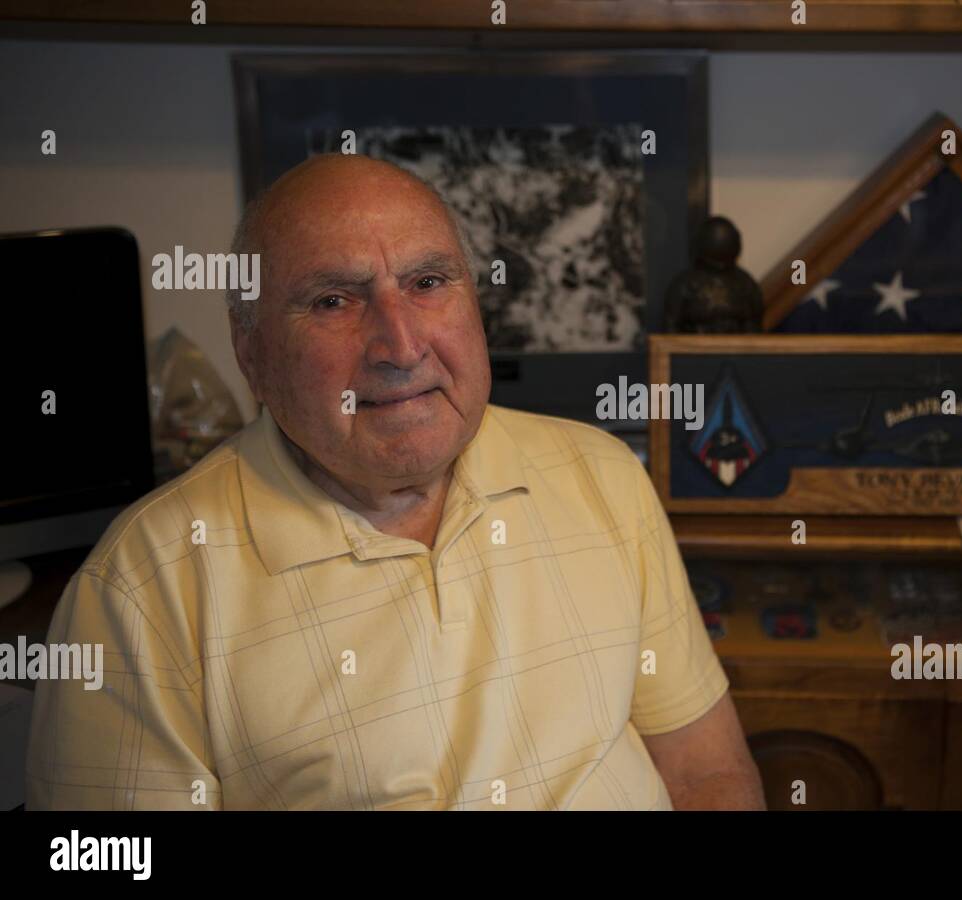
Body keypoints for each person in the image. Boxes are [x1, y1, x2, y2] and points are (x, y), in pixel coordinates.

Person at [25, 154, 764, 810]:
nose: (402, 344)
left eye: (428, 282)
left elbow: (706, 776)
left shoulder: (603, 476)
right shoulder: (141, 591)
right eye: (333, 301)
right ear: (251, 352)